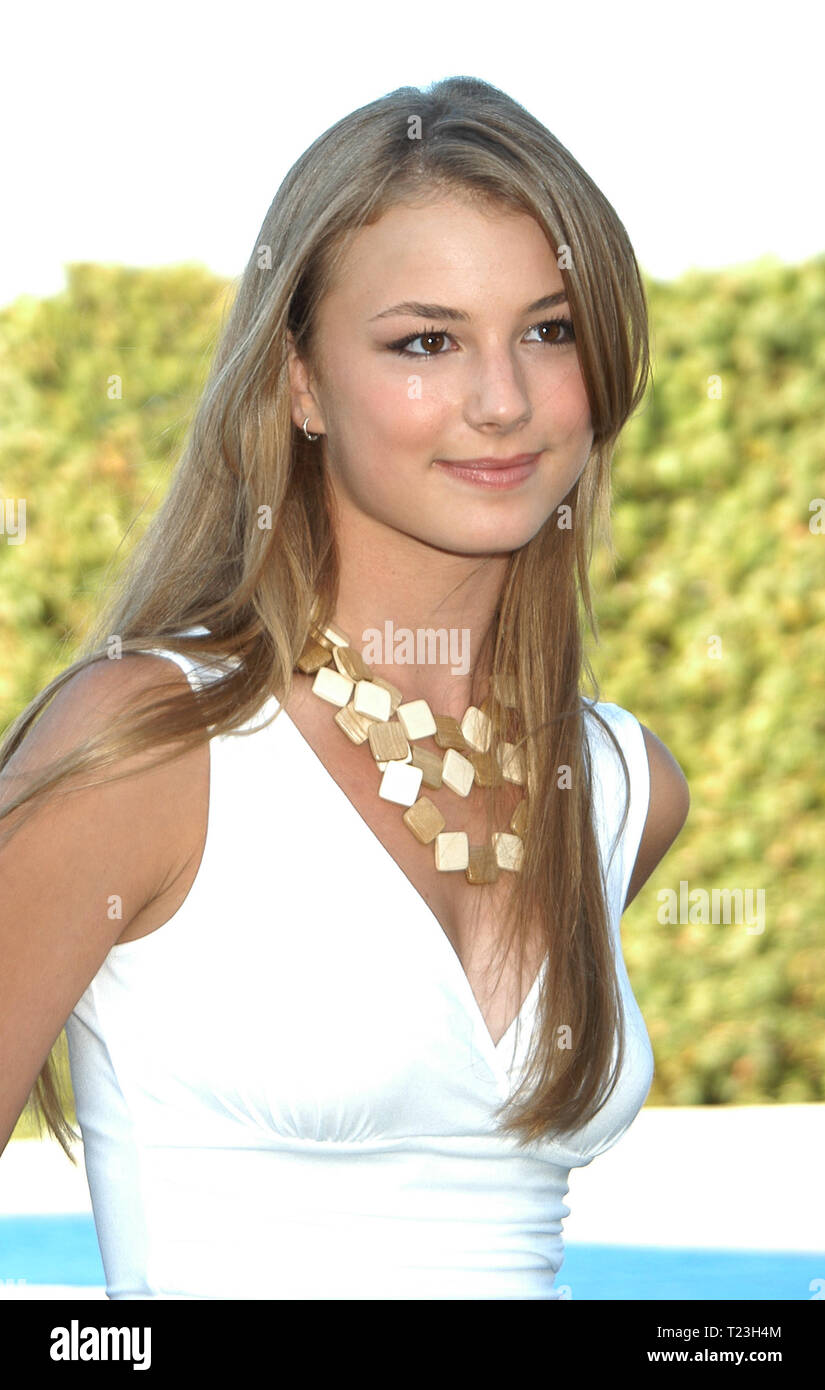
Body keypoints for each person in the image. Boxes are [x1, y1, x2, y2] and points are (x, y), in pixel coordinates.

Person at [0, 75, 689, 1300]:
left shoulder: (623, 786)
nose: (502, 400)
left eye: (550, 328)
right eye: (426, 341)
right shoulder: (152, 746)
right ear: (303, 384)